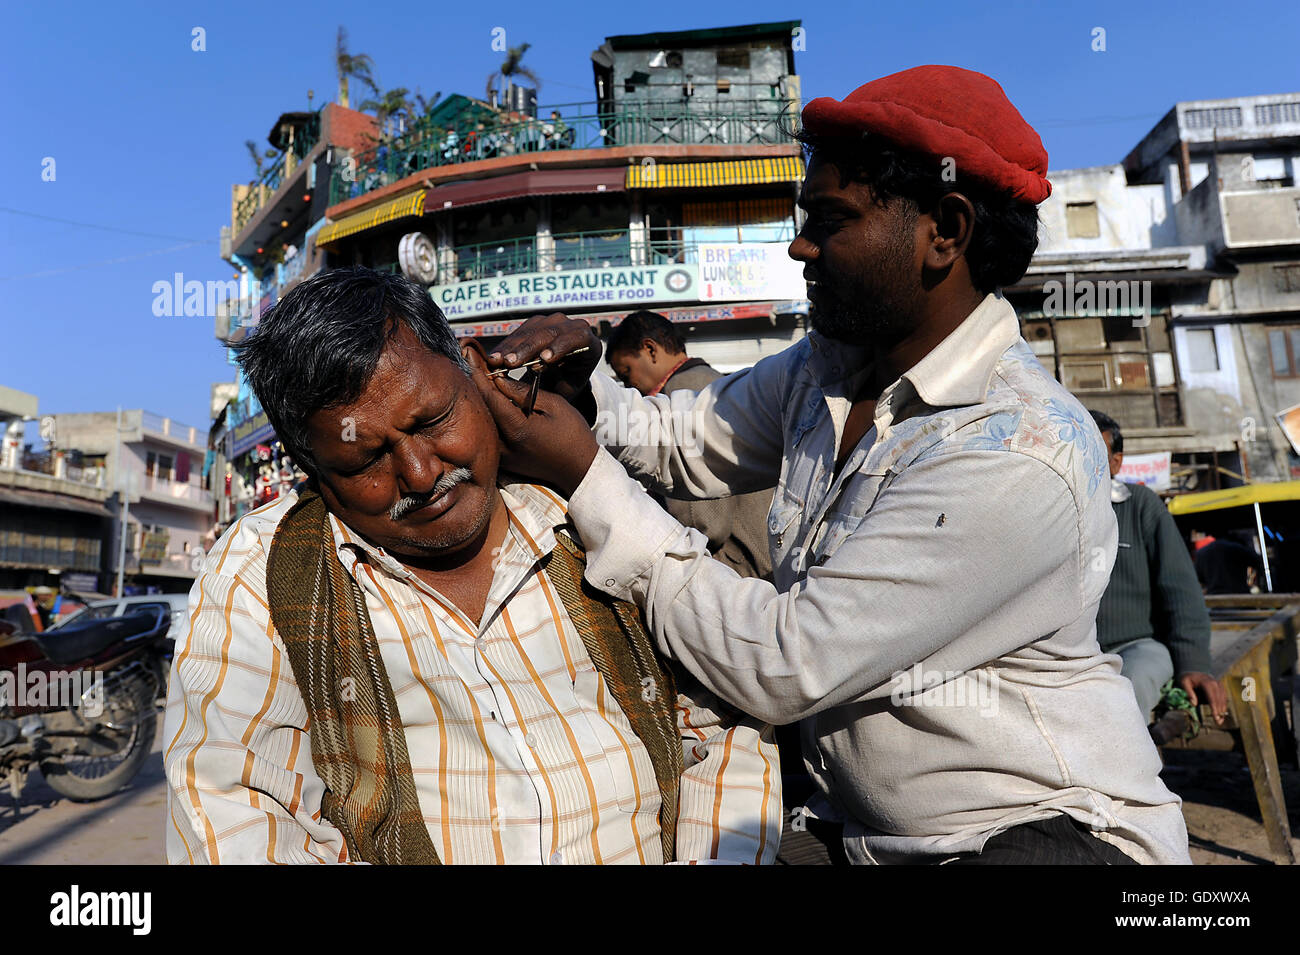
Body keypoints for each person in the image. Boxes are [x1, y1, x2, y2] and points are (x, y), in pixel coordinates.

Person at [478, 65, 1191, 864]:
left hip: (1043, 835)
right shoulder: (831, 365)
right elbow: (685, 441)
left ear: (945, 231)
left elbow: (784, 661)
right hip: (871, 834)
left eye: (831, 219)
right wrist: (589, 392)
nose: (800, 244)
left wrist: (583, 472)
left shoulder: (1019, 449)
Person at [163, 268, 781, 865]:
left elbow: (723, 732)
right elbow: (231, 811)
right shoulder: (264, 571)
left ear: (475, 373)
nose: (420, 473)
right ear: (311, 470)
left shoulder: (584, 509)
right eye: (363, 460)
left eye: (433, 422)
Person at [606, 310, 773, 582]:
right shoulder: (712, 381)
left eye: (626, 373)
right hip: (764, 564)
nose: (629, 385)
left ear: (650, 349)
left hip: (738, 570)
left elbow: (704, 524)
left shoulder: (683, 393)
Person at [1089, 411, 1228, 725]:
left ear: (1116, 462)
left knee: (1127, 690)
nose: (1081, 463)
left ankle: (1125, 771)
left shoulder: (1140, 505)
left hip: (1136, 646)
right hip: (1073, 654)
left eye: (1092, 452)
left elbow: (1180, 589)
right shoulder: (1056, 511)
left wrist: (1193, 664)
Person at [1191, 529, 1263, 595]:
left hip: (1215, 599)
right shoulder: (1237, 548)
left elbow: (1199, 578)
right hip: (1239, 597)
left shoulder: (1201, 553)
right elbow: (1258, 562)